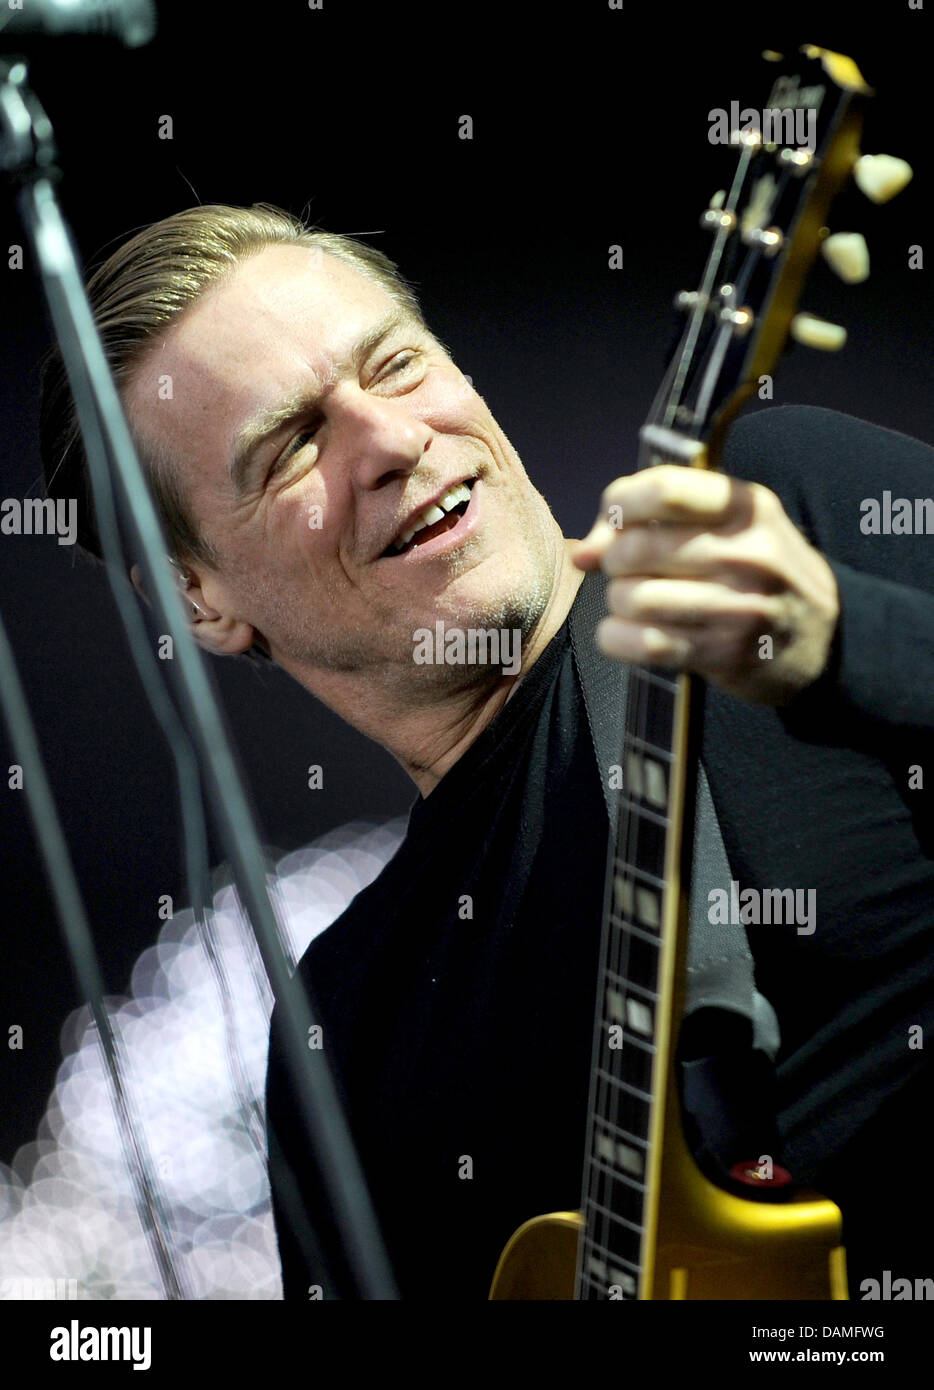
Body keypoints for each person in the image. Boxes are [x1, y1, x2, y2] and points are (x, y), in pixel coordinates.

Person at [39, 203, 934, 1300]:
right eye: (292, 444)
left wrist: (849, 643)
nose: (391, 440)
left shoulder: (765, 512)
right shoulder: (342, 1034)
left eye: (398, 364)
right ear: (199, 599)